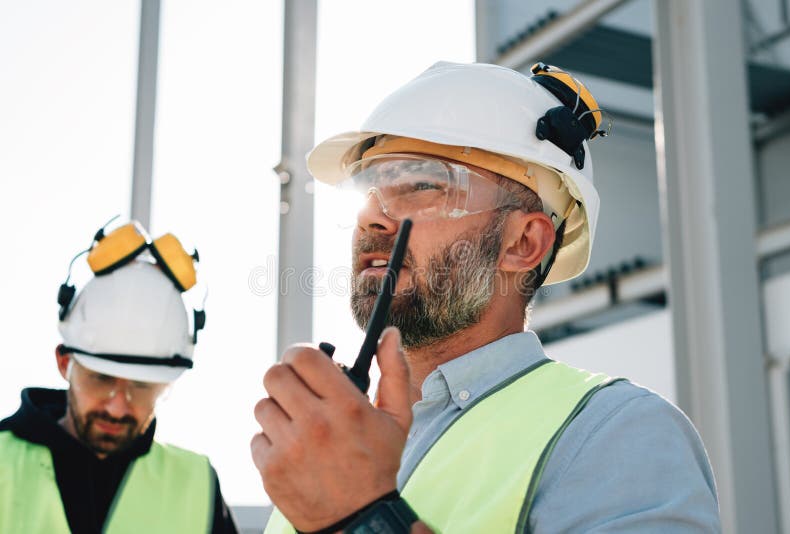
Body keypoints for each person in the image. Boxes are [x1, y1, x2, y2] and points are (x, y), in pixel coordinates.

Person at [253, 62, 720, 533]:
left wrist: (362, 517)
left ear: (523, 244)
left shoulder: (615, 433)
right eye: (367, 189)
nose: (371, 217)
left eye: (422, 185)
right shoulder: (323, 450)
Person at [0, 221, 238, 533]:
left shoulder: (197, 484)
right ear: (64, 363)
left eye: (141, 386)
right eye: (101, 379)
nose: (117, 407)